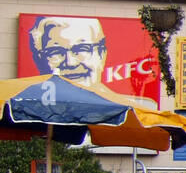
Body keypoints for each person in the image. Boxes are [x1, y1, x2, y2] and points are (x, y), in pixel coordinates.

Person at [28, 15, 158, 108]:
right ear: (40, 60)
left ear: (101, 54)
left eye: (81, 49)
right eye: (55, 52)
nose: (70, 63)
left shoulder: (131, 109)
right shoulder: (29, 108)